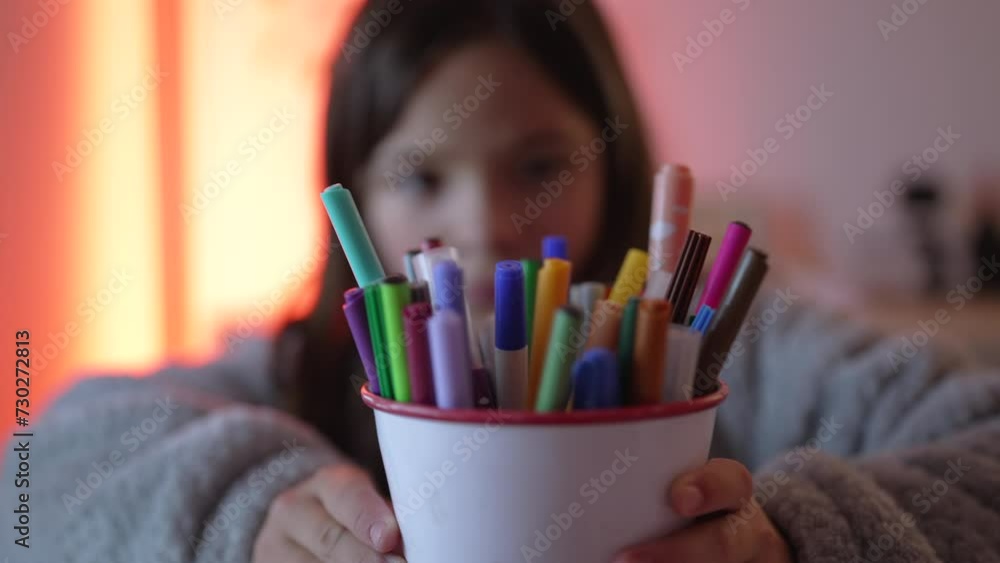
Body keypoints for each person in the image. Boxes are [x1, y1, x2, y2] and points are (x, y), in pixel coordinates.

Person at [6, 1, 999, 562]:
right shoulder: (297, 368)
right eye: (422, 176)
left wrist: (800, 536)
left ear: (614, 160)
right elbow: (31, 476)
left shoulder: (730, 345)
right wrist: (240, 509)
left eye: (539, 165)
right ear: (353, 192)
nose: (485, 226)